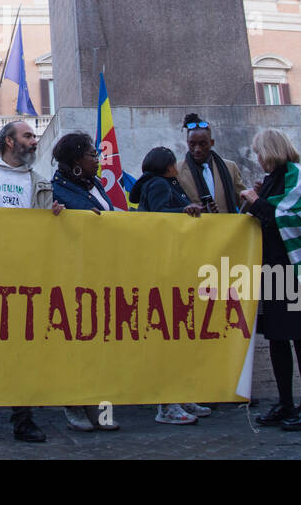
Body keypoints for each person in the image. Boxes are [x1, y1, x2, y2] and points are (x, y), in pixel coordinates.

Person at [0, 119, 61, 444]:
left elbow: (48, 232)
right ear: (9, 142)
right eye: (28, 136)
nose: (34, 140)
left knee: (24, 349)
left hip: (27, 276)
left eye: (33, 136)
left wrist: (55, 216)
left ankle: (24, 418)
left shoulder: (41, 183)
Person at [241, 128, 301, 432]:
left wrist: (255, 199)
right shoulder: (276, 179)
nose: (259, 159)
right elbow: (271, 213)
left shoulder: (295, 175)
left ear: (271, 150)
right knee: (277, 338)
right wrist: (258, 198)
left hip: (296, 269)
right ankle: (286, 402)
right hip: (274, 268)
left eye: (260, 153)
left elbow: (292, 218)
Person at [46, 131, 124, 433]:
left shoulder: (99, 186)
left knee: (103, 345)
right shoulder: (55, 190)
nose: (98, 159)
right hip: (73, 277)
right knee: (75, 345)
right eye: (92, 154)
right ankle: (74, 405)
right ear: (76, 160)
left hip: (104, 275)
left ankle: (102, 408)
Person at [128, 146, 209, 426]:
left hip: (169, 267)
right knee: (169, 338)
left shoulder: (158, 184)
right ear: (167, 166)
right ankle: (167, 404)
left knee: (179, 337)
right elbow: (160, 216)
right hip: (166, 268)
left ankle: (181, 395)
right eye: (173, 163)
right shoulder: (160, 184)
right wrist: (185, 210)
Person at [176, 113, 247, 215]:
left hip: (226, 228)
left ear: (212, 142)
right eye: (192, 144)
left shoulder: (230, 168)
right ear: (187, 143)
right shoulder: (177, 170)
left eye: (202, 144)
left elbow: (243, 204)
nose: (197, 149)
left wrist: (255, 196)